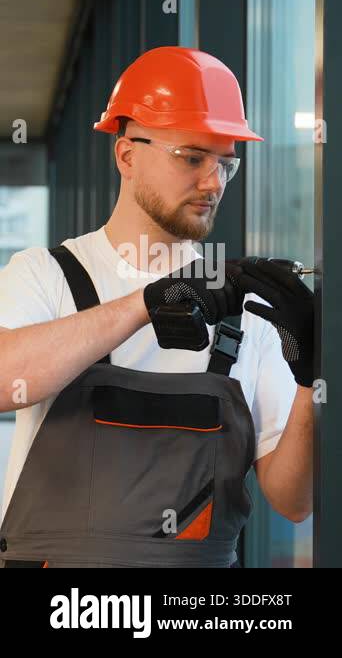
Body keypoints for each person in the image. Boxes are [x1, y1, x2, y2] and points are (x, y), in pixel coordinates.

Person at [0, 47, 313, 568]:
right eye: (192, 158)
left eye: (225, 165)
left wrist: (311, 382)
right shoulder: (46, 274)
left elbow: (294, 502)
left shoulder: (245, 306)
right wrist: (146, 303)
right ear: (126, 155)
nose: (213, 184)